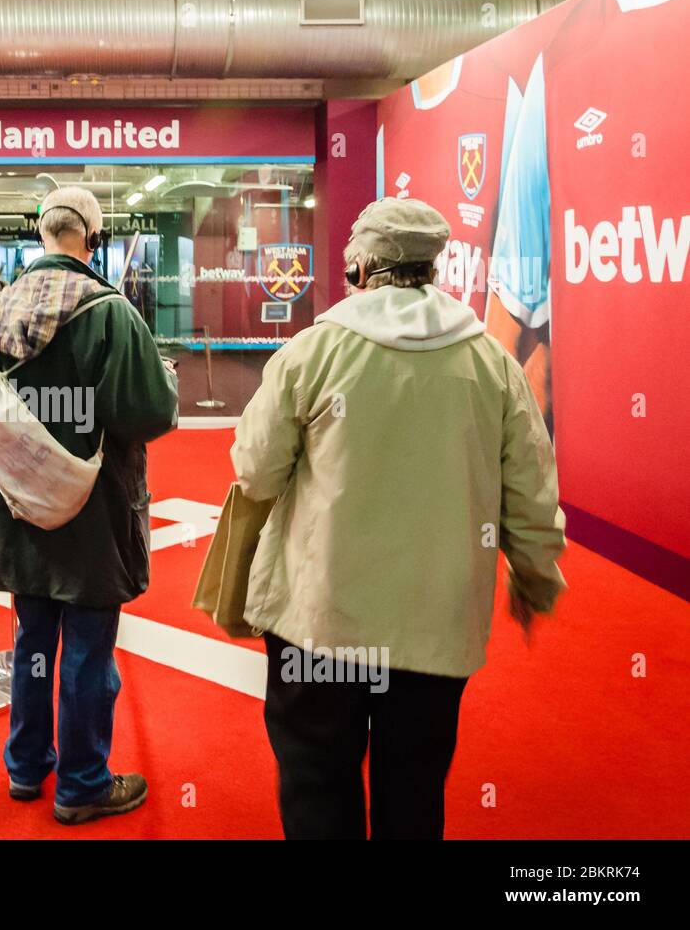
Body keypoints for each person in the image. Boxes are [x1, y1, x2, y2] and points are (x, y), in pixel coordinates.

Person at [231, 197, 566, 840]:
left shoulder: (313, 351)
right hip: (434, 627)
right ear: (434, 265)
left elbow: (256, 470)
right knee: (413, 787)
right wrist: (534, 571)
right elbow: (530, 488)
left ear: (360, 264)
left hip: (321, 622)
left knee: (317, 780)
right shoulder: (490, 363)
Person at [0, 187, 179, 825]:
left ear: (40, 230)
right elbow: (145, 413)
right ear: (93, 239)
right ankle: (82, 782)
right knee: (88, 647)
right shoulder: (110, 313)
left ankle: (27, 768)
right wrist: (163, 380)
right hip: (92, 512)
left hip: (18, 508)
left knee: (32, 639)